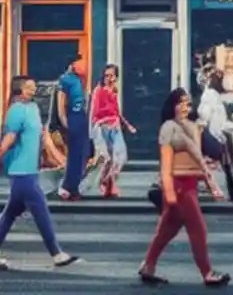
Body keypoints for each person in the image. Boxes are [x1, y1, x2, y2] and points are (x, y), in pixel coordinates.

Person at [139, 88, 230, 287]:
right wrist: (169, 191)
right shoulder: (169, 128)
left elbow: (198, 160)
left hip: (190, 185)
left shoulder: (193, 127)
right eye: (180, 103)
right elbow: (166, 162)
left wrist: (210, 182)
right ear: (172, 106)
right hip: (179, 187)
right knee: (199, 230)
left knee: (166, 231)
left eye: (188, 103)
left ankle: (148, 266)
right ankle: (207, 273)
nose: (184, 107)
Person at [0, 76, 80, 271]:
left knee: (10, 213)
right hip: (20, 171)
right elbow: (9, 139)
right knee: (40, 210)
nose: (34, 90)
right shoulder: (16, 111)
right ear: (19, 90)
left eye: (34, 87)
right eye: (29, 87)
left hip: (30, 170)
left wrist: (60, 160)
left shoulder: (34, 110)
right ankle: (57, 254)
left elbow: (43, 139)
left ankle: (57, 254)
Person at [197, 70, 233, 218]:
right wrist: (219, 137)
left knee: (230, 165)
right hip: (213, 137)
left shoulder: (214, 95)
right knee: (229, 166)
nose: (221, 83)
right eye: (219, 80)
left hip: (218, 136)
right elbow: (205, 117)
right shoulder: (209, 95)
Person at [90, 64, 135, 198]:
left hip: (115, 127)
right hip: (103, 127)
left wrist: (126, 124)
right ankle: (108, 185)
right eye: (107, 76)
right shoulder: (99, 91)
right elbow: (96, 112)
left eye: (112, 76)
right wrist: (101, 122)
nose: (109, 79)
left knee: (120, 156)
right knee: (108, 159)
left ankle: (107, 182)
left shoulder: (114, 91)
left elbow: (117, 112)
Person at [55, 59, 92, 201]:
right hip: (73, 118)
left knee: (82, 154)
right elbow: (61, 103)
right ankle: (68, 187)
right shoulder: (66, 80)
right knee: (75, 155)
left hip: (81, 117)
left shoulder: (80, 81)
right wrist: (65, 122)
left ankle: (73, 185)